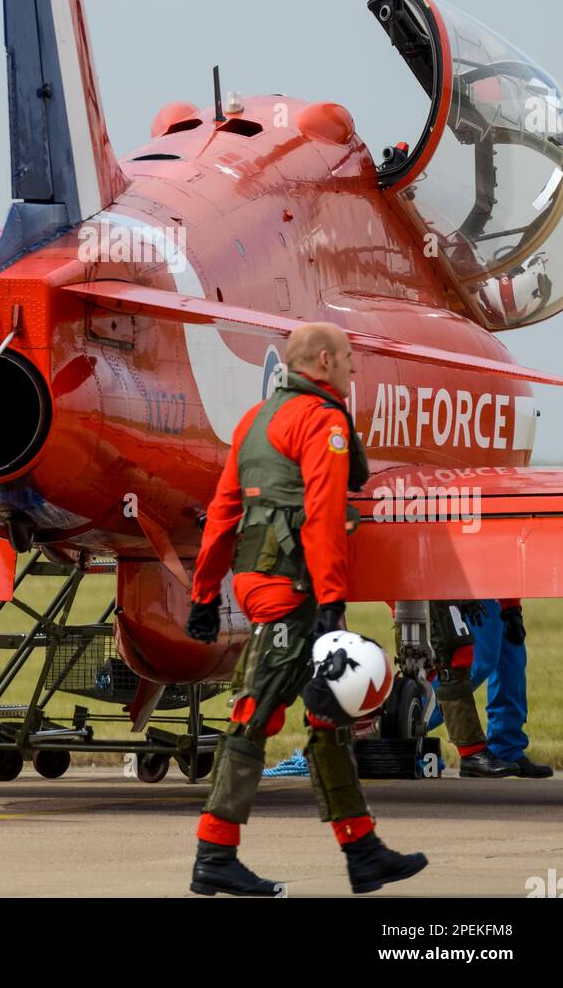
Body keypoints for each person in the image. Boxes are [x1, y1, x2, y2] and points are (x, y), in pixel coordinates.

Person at [185, 322, 428, 897]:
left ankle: (363, 852)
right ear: (323, 360)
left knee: (329, 714)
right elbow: (321, 515)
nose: (353, 367)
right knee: (256, 714)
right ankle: (214, 853)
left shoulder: (255, 420)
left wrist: (203, 594)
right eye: (347, 357)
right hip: (294, 594)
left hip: (259, 582)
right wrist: (331, 603)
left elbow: (222, 512)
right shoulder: (323, 421)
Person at [428, 599, 552, 777]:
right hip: (476, 584)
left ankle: (506, 747)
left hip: (502, 587)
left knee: (511, 660)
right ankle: (402, 728)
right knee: (479, 662)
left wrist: (512, 605)